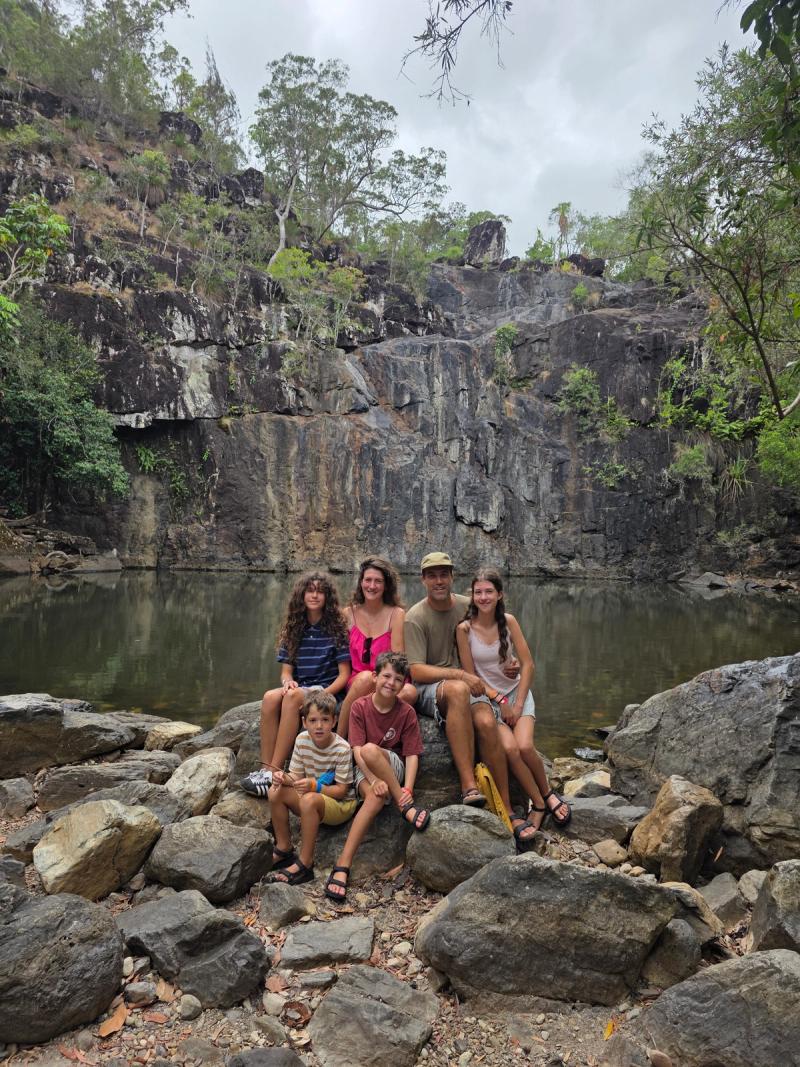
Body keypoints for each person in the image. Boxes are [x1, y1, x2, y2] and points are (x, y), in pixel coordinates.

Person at [403, 551, 527, 836]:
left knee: (485, 721)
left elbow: (496, 633)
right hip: (432, 687)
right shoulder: (415, 617)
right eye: (432, 575)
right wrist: (459, 674)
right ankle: (468, 786)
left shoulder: (466, 605)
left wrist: (511, 663)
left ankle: (506, 808)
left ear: (451, 577)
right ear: (423, 580)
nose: (438, 580)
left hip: (470, 685)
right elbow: (417, 671)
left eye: (443, 574)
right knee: (458, 690)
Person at [456, 569, 571, 831]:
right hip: (489, 699)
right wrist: (500, 701)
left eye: (489, 592)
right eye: (478, 592)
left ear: (499, 595)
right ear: (472, 596)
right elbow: (471, 677)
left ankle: (548, 794)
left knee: (526, 747)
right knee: (509, 750)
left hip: (516, 694)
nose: (483, 597)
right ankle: (539, 805)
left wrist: (518, 704)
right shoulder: (464, 630)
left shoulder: (508, 621)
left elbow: (528, 665)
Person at [325, 651, 429, 902]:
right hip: (365, 768)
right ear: (375, 677)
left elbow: (412, 754)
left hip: (391, 766)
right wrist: (373, 781)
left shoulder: (406, 713)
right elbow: (357, 751)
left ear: (403, 684)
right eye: (386, 676)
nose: (391, 683)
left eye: (397, 679)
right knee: (372, 797)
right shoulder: (360, 707)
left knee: (373, 750)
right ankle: (343, 865)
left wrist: (408, 789)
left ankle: (404, 804)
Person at [240, 572, 350, 797]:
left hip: (325, 691)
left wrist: (320, 697)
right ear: (301, 595)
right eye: (310, 590)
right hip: (301, 688)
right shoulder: (294, 628)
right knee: (271, 697)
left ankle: (274, 771)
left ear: (327, 597)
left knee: (293, 697)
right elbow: (286, 672)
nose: (315, 595)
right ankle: (265, 767)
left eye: (320, 591)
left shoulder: (336, 629)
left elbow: (344, 675)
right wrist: (287, 682)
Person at [265, 691, 357, 885]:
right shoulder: (302, 740)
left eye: (325, 720)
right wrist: (283, 777)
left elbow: (342, 791)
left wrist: (315, 786)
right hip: (313, 799)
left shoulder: (342, 748)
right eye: (313, 720)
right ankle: (283, 848)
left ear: (334, 721)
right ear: (304, 722)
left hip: (339, 805)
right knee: (275, 791)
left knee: (308, 799)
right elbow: (296, 776)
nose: (319, 726)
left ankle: (305, 863)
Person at [337, 556, 417, 740]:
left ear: (386, 585)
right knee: (365, 678)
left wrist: (384, 680)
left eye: (378, 581)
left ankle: (374, 739)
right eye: (368, 580)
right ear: (361, 582)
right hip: (358, 682)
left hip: (388, 678)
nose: (372, 586)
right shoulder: (348, 614)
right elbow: (341, 661)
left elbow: (398, 660)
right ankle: (340, 741)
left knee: (410, 692)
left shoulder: (396, 614)